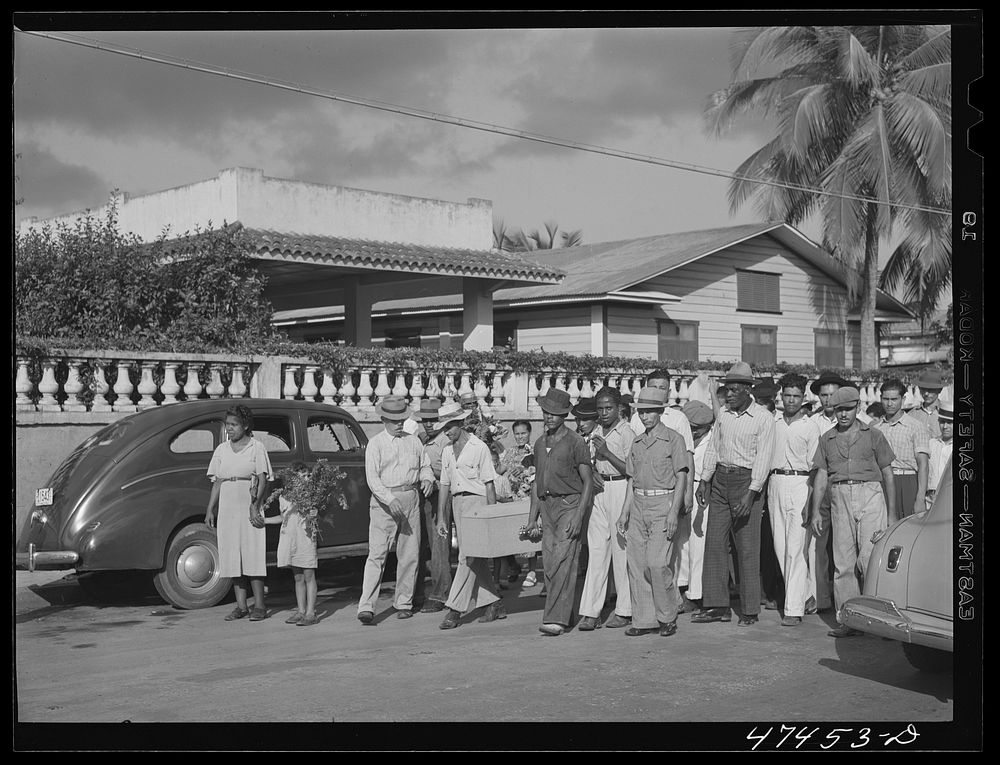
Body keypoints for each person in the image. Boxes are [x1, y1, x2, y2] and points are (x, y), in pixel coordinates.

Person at [810, 387, 897, 638]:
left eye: (848, 409)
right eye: (838, 410)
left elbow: (888, 474)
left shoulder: (874, 435)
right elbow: (822, 476)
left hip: (870, 494)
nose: (843, 415)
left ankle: (881, 620)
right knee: (843, 563)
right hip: (839, 497)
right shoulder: (826, 439)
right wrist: (816, 511)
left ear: (858, 407)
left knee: (870, 559)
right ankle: (849, 620)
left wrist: (892, 514)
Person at [693, 362, 775, 626]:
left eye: (734, 390)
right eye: (727, 389)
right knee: (715, 543)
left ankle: (750, 610)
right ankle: (717, 606)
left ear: (748, 390)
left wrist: (750, 494)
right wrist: (704, 480)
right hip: (720, 481)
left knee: (747, 547)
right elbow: (714, 448)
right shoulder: (724, 416)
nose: (728, 395)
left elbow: (763, 459)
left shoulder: (763, 418)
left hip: (746, 482)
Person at [616, 386, 688, 637]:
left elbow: (681, 477)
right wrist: (624, 512)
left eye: (649, 412)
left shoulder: (674, 439)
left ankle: (668, 615)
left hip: (662, 505)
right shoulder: (637, 443)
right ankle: (644, 620)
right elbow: (631, 480)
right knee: (636, 565)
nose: (644, 416)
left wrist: (673, 512)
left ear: (660, 411)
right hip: (638, 505)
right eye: (641, 412)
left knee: (657, 564)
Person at [357, 396, 434, 625]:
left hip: (410, 499)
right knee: (377, 555)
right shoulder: (376, 443)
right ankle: (366, 606)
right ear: (383, 419)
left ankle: (403, 603)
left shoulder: (414, 441)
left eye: (401, 419)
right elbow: (372, 478)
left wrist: (427, 478)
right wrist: (390, 500)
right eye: (393, 420)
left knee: (409, 554)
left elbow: (425, 465)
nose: (399, 424)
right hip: (384, 504)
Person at [523, 388, 595, 636]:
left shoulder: (575, 442)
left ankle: (556, 619)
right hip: (546, 506)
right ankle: (566, 612)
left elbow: (588, 481)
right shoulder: (540, 443)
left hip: (569, 505)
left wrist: (578, 515)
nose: (548, 417)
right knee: (551, 563)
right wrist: (532, 518)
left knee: (564, 559)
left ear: (564, 415)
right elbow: (536, 483)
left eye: (554, 413)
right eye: (545, 412)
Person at [437, 402, 508, 629]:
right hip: (458, 505)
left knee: (466, 557)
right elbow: (445, 485)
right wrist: (441, 516)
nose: (446, 431)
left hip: (477, 504)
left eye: (450, 426)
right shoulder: (447, 450)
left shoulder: (479, 447)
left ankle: (455, 609)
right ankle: (494, 602)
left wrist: (491, 514)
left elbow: (489, 484)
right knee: (474, 557)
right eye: (443, 428)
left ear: (460, 423)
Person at [205, 404, 273, 622]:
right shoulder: (221, 450)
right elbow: (217, 482)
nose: (230, 429)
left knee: (253, 554)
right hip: (227, 508)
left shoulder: (256, 447)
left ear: (245, 426)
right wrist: (210, 510)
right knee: (232, 556)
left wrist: (255, 504)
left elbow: (262, 478)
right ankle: (241, 606)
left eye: (234, 425)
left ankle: (260, 606)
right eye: (228, 425)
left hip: (248, 504)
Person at [808, 371, 870, 614]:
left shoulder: (863, 424)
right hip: (823, 488)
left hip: (856, 492)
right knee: (823, 545)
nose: (829, 400)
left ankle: (866, 603)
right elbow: (817, 466)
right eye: (824, 395)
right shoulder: (813, 423)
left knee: (859, 550)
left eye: (833, 395)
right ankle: (824, 598)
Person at [578, 387, 635, 631]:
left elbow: (632, 470)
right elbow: (588, 461)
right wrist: (592, 471)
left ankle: (625, 610)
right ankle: (591, 611)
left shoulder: (627, 432)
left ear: (618, 408)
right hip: (599, 491)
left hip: (621, 489)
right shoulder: (596, 431)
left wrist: (607, 454)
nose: (603, 413)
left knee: (621, 551)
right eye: (600, 409)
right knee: (597, 550)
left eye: (608, 408)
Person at [767, 374, 822, 627]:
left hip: (801, 483)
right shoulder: (774, 422)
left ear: (803, 398)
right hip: (775, 483)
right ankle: (805, 595)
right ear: (781, 395)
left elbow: (816, 469)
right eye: (787, 395)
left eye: (796, 396)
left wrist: (811, 502)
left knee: (797, 549)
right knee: (781, 548)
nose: (791, 400)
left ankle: (793, 608)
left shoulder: (810, 426)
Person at [628, 369, 695, 516]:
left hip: (669, 492)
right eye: (653, 388)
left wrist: (688, 492)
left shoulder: (678, 418)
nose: (657, 392)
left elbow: (688, 457)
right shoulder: (636, 418)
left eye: (662, 388)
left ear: (669, 392)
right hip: (642, 493)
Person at [410, 398, 453, 614]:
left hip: (439, 496)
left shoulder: (446, 442)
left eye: (433, 420)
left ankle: (440, 594)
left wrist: (430, 478)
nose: (428, 424)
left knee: (439, 546)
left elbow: (449, 474)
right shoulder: (419, 439)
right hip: (420, 497)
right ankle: (415, 594)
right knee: (417, 545)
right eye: (425, 420)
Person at [265, 462, 319, 626]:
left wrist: (313, 515)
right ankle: (301, 610)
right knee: (298, 576)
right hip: (290, 537)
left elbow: (316, 515)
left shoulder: (313, 495)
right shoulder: (284, 497)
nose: (305, 479)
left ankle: (311, 612)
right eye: (301, 476)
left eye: (307, 475)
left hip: (306, 536)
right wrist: (265, 520)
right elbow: (284, 517)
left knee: (309, 574)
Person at [673, 400, 714, 613]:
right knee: (681, 541)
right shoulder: (682, 438)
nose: (693, 432)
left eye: (697, 429)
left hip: (702, 491)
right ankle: (681, 585)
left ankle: (695, 594)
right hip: (682, 488)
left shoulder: (713, 440)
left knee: (698, 544)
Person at [873, 379, 930, 519]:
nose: (889, 403)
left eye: (894, 399)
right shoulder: (875, 428)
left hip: (908, 482)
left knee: (910, 528)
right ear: (881, 399)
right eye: (886, 399)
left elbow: (923, 464)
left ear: (903, 399)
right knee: (883, 528)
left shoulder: (916, 426)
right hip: (882, 483)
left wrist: (920, 498)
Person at [498, 420, 542, 588]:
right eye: (517, 434)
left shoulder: (535, 451)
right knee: (512, 534)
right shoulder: (509, 452)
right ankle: (512, 567)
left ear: (529, 433)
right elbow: (499, 470)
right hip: (512, 498)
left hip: (529, 498)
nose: (520, 437)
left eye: (523, 433)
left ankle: (531, 571)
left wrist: (524, 471)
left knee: (530, 534)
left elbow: (539, 470)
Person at [752, 377, 783, 612]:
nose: (765, 401)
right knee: (760, 540)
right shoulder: (752, 419)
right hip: (755, 483)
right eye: (761, 398)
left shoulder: (781, 420)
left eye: (768, 397)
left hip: (777, 481)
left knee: (777, 541)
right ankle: (762, 590)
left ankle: (776, 592)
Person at [926, 406, 953, 508]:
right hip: (930, 498)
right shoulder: (931, 443)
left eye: (950, 422)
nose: (945, 426)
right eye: (942, 422)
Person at [908, 369, 946, 440]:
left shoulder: (947, 413)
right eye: (923, 389)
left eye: (930, 390)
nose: (926, 393)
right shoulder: (912, 415)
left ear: (939, 390)